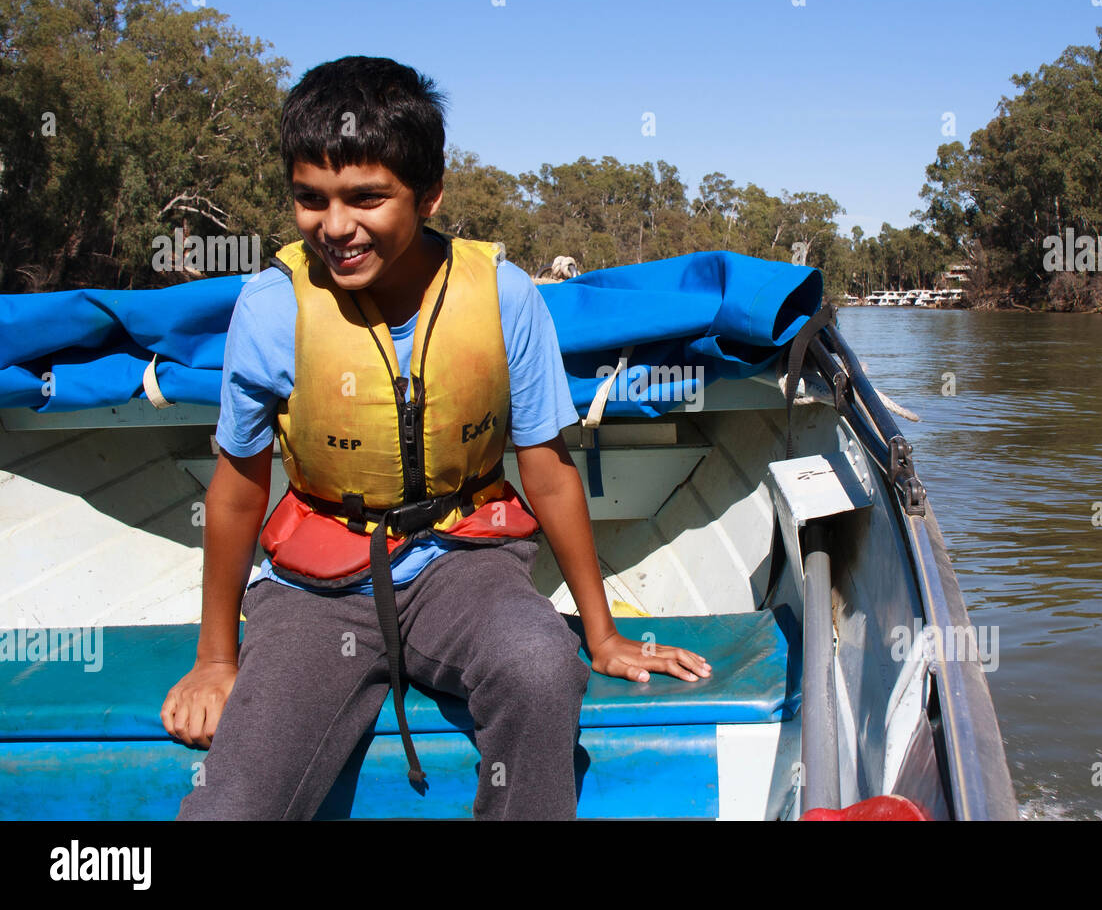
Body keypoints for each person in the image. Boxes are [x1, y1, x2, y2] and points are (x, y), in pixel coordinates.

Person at [160, 56, 710, 820]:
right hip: (318, 590)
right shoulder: (269, 309)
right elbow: (238, 489)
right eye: (309, 200)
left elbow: (546, 471)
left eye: (367, 198)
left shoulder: (506, 297)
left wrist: (602, 632)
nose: (336, 227)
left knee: (541, 666)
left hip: (466, 562)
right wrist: (216, 659)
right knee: (234, 803)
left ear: (430, 195)